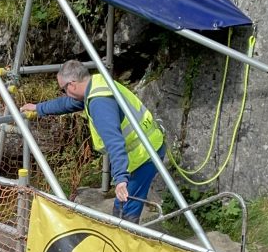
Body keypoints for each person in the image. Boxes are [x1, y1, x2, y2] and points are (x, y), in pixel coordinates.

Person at [21, 60, 166, 223]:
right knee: (123, 205)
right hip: (146, 145)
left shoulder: (100, 103)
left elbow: (114, 142)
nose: (64, 93)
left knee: (126, 206)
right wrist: (38, 108)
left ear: (72, 85)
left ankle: (125, 236)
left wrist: (120, 178)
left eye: (63, 89)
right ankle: (121, 233)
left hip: (143, 154)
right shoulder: (96, 84)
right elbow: (67, 104)